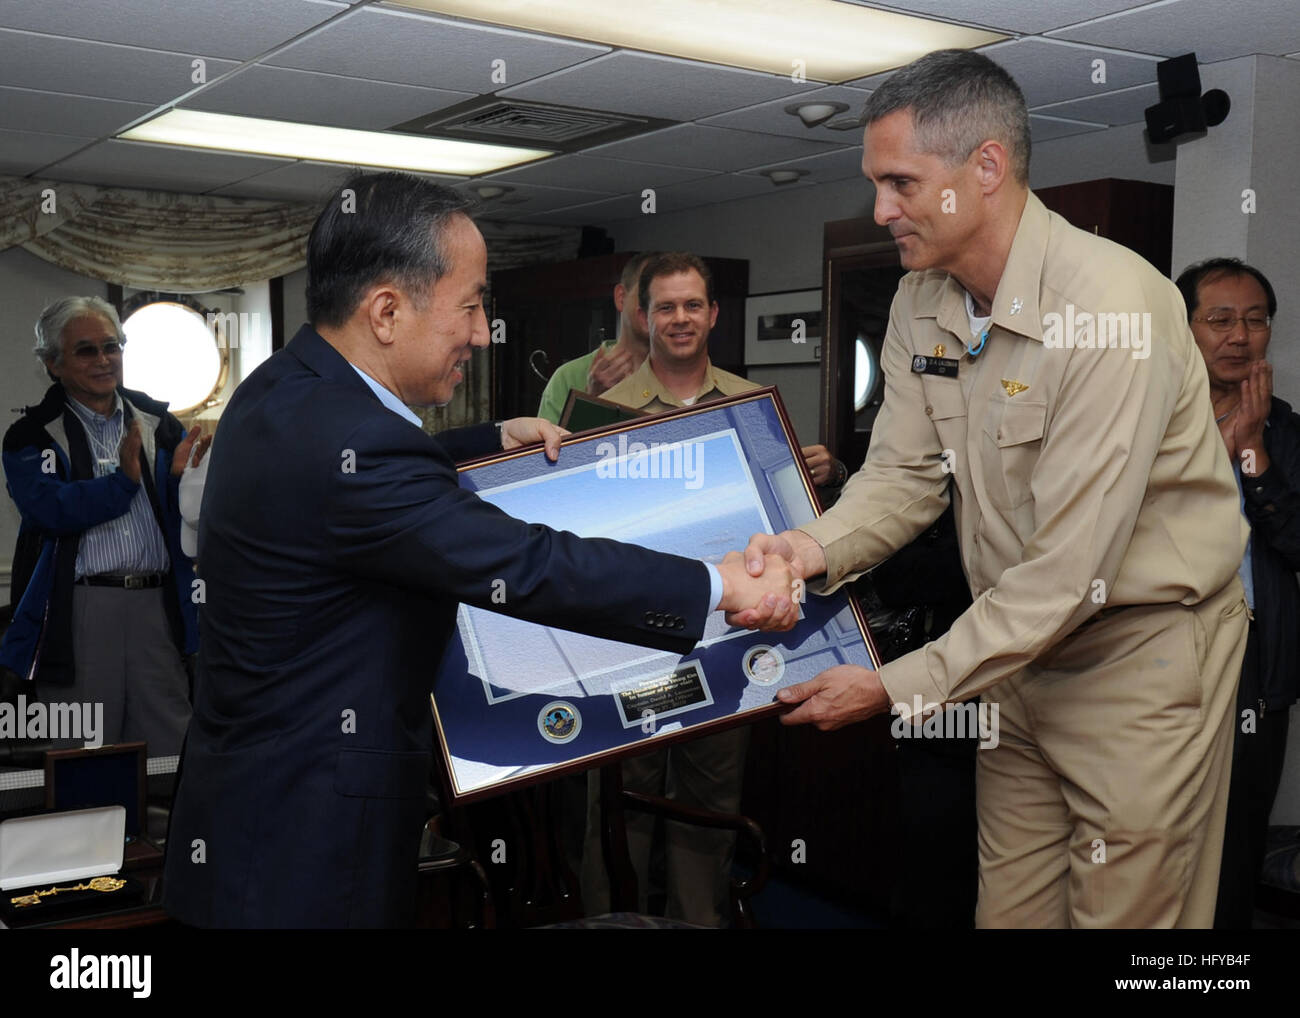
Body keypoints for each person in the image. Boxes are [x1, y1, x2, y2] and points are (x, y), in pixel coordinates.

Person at [160, 172, 798, 929]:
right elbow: (528, 565)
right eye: (469, 304)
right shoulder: (352, 441)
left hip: (249, 807)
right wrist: (715, 585)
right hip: (310, 839)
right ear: (387, 311)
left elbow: (361, 469)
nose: (479, 331)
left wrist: (489, 441)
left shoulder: (280, 389)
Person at [743, 49, 1249, 928]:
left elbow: (1068, 574)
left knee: (1130, 920)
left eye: (900, 182)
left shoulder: (1110, 310)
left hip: (1137, 658)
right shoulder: (919, 303)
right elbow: (904, 477)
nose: (880, 209)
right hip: (1009, 660)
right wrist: (809, 549)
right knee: (1009, 910)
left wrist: (894, 687)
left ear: (985, 168)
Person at [0, 297, 208, 755]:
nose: (104, 360)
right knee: (85, 753)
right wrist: (121, 483)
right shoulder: (31, 435)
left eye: (111, 347)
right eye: (86, 351)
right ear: (53, 364)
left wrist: (181, 480)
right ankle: (98, 831)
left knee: (171, 746)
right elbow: (48, 510)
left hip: (158, 605)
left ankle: (169, 831)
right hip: (81, 610)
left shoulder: (158, 423)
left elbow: (184, 522)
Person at [1175, 257, 1298, 928]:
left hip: (1257, 662)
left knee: (1235, 846)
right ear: (1185, 327)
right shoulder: (1151, 422)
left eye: (1255, 321)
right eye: (1219, 319)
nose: (1239, 336)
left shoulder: (1285, 430)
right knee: (1155, 841)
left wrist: (1253, 452)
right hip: (1160, 655)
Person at [536, 251, 656, 425]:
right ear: (621, 297)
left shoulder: (686, 375)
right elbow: (553, 451)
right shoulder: (568, 378)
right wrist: (592, 403)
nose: (655, 305)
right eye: (647, 294)